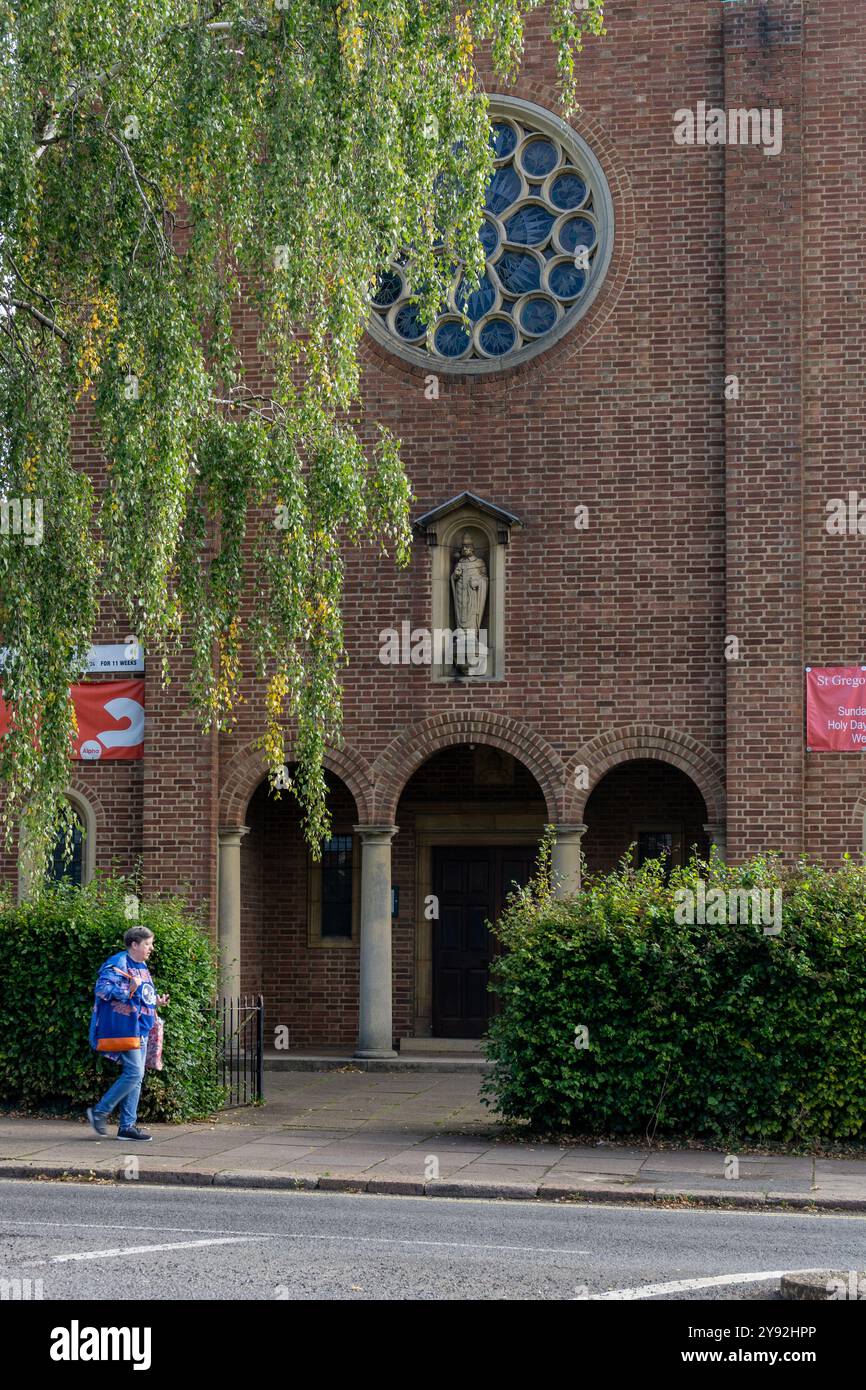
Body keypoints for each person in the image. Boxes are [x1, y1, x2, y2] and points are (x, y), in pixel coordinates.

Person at [86, 926, 169, 1142]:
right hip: (126, 1027)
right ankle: (99, 1112)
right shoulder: (118, 963)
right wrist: (129, 990)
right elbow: (102, 990)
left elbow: (141, 994)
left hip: (140, 1026)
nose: (151, 948)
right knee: (134, 1073)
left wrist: (155, 1001)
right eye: (147, 944)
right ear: (134, 944)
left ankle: (127, 1127)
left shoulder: (140, 964)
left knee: (137, 1076)